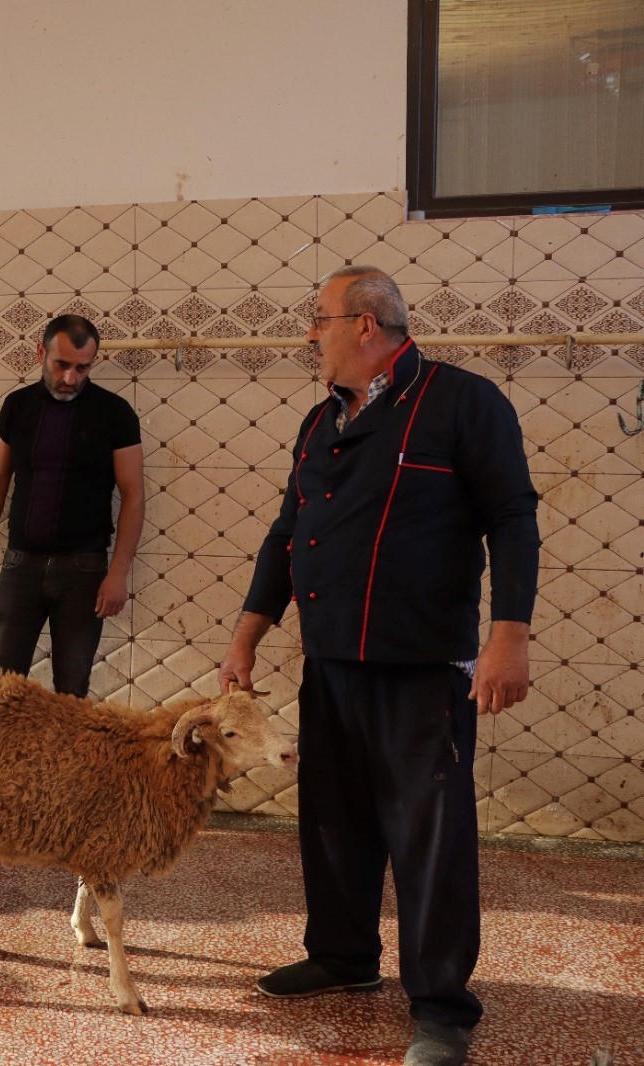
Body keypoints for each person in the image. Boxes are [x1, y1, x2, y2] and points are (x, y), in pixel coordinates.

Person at [219, 266, 540, 1066]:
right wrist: (248, 633)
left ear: (367, 325)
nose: (310, 335)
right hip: (330, 660)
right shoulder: (319, 420)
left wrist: (511, 634)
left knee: (428, 834)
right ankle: (342, 957)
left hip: (422, 663)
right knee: (332, 817)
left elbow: (512, 516)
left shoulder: (462, 403)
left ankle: (440, 1008)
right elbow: (286, 533)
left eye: (319, 321)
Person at [0, 313, 145, 698]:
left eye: (82, 368)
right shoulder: (17, 406)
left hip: (84, 569)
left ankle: (62, 761)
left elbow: (133, 493)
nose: (70, 379)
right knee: (0, 686)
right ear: (40, 352)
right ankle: (1, 759)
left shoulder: (115, 413)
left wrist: (118, 573)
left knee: (72, 687)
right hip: (19, 564)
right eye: (62, 365)